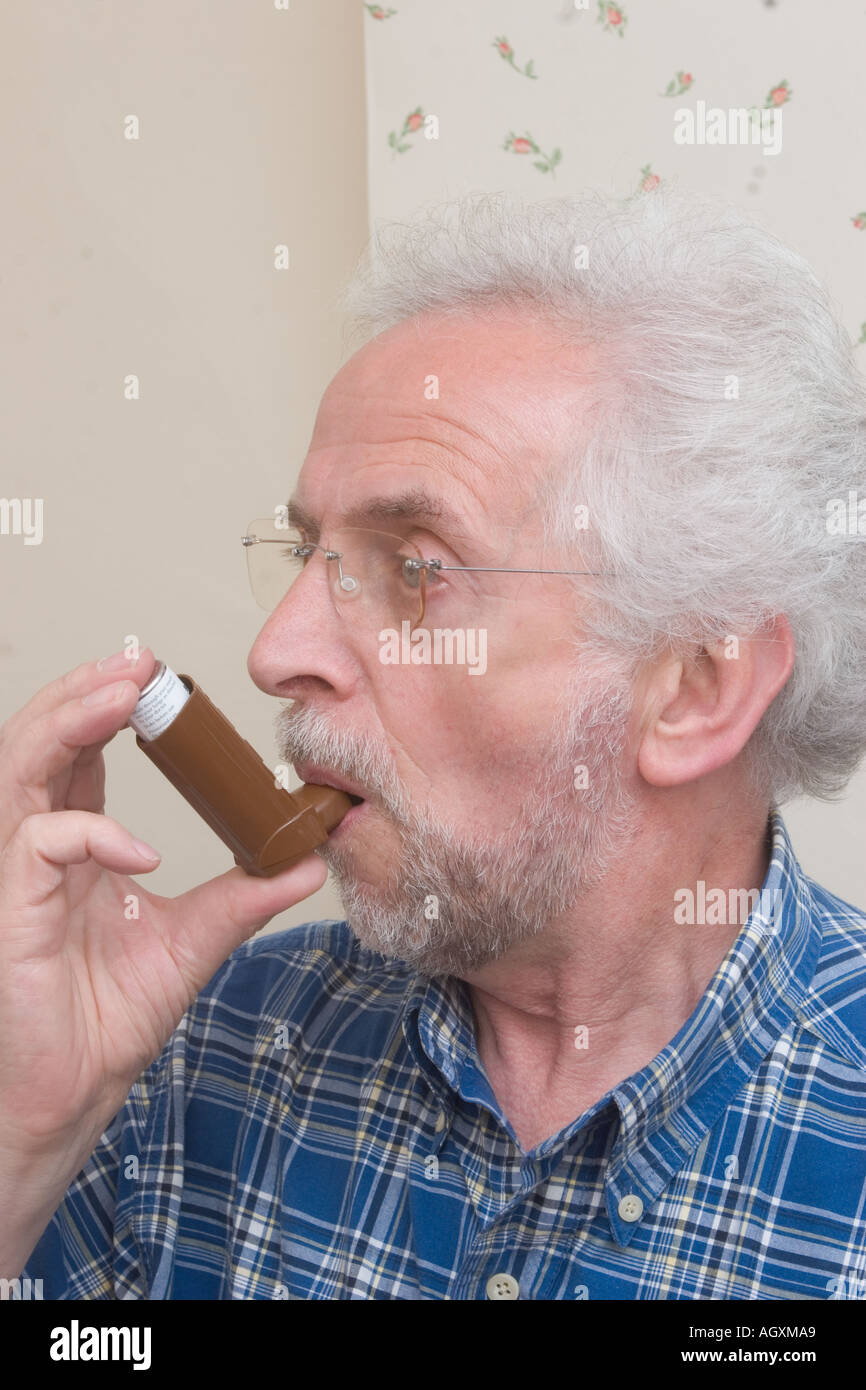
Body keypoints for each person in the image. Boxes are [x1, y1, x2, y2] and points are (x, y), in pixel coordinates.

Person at [4, 188, 866, 1300]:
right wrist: (23, 1134)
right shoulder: (203, 1042)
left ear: (694, 687)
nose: (277, 652)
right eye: (308, 552)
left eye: (415, 566)